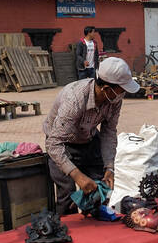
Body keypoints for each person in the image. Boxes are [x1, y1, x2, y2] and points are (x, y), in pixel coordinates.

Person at [42, 57, 138, 215]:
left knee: (101, 187)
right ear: (107, 88)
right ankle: (65, 230)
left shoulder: (114, 99)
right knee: (68, 194)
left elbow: (109, 132)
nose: (124, 94)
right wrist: (77, 175)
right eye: (122, 89)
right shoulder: (75, 99)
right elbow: (53, 144)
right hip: (62, 143)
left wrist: (109, 167)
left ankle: (98, 225)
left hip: (88, 137)